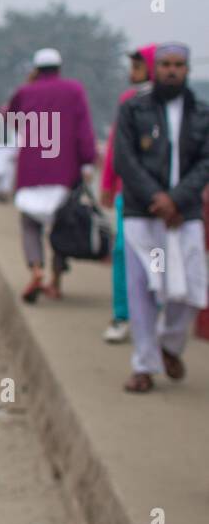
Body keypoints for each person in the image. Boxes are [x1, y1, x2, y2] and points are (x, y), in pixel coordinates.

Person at [112, 43, 209, 393]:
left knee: (189, 290)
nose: (171, 70)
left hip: (185, 216)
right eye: (165, 64)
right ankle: (144, 365)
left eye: (178, 65)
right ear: (156, 69)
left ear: (187, 69)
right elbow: (124, 158)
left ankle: (169, 344)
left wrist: (177, 199)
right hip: (144, 214)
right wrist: (157, 197)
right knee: (141, 291)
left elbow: (205, 163)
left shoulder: (201, 113)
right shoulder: (134, 109)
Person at [9, 48, 97, 303]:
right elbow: (84, 128)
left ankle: (36, 268)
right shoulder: (73, 90)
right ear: (59, 68)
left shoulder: (25, 92)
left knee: (30, 224)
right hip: (63, 171)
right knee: (61, 226)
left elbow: (12, 118)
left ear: (36, 69)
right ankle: (56, 281)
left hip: (31, 170)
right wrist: (88, 161)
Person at [99, 46, 156, 344]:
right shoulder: (128, 102)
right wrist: (109, 182)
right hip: (130, 193)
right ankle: (122, 314)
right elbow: (115, 148)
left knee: (158, 257)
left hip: (163, 196)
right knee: (123, 250)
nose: (131, 73)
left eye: (137, 66)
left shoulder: (173, 105)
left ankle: (155, 313)